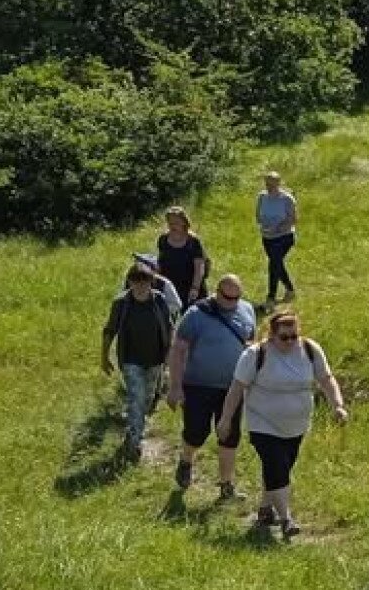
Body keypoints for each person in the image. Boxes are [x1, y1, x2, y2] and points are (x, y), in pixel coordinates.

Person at [219, 311, 349, 537]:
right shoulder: (255, 354)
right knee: (277, 466)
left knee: (281, 467)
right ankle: (286, 519)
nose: (289, 341)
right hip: (263, 423)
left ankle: (265, 508)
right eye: (284, 337)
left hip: (297, 425)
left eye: (293, 336)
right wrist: (226, 419)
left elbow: (326, 379)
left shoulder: (310, 350)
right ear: (271, 336)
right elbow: (237, 388)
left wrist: (337, 405)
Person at [166, 275, 257, 500]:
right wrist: (175, 386)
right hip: (198, 385)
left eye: (236, 298)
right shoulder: (196, 315)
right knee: (196, 432)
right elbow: (178, 350)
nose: (232, 303)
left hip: (233, 387)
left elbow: (252, 344)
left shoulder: (247, 310)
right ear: (217, 293)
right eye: (227, 297)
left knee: (229, 435)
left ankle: (227, 486)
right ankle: (186, 461)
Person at [101, 265, 177, 461]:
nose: (141, 287)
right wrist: (104, 356)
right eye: (136, 282)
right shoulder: (121, 303)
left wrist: (170, 353)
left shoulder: (159, 300)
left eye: (145, 282)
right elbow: (110, 330)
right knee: (136, 397)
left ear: (151, 282)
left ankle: (135, 428)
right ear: (130, 282)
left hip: (155, 359)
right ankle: (135, 442)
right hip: (130, 359)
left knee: (148, 398)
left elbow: (169, 328)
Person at [255, 171, 299, 308]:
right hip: (267, 237)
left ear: (278, 184)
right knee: (277, 264)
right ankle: (290, 290)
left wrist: (278, 228)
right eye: (267, 184)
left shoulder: (287, 199)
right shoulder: (262, 197)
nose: (269, 187)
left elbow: (293, 219)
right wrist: (264, 224)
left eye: (272, 184)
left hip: (284, 237)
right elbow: (258, 215)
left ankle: (271, 297)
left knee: (273, 264)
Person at [157, 206, 209, 308]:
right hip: (171, 286)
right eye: (170, 222)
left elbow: (199, 267)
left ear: (184, 222)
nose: (173, 226)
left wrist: (195, 288)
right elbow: (160, 262)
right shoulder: (163, 239)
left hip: (190, 287)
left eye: (176, 222)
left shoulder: (193, 241)